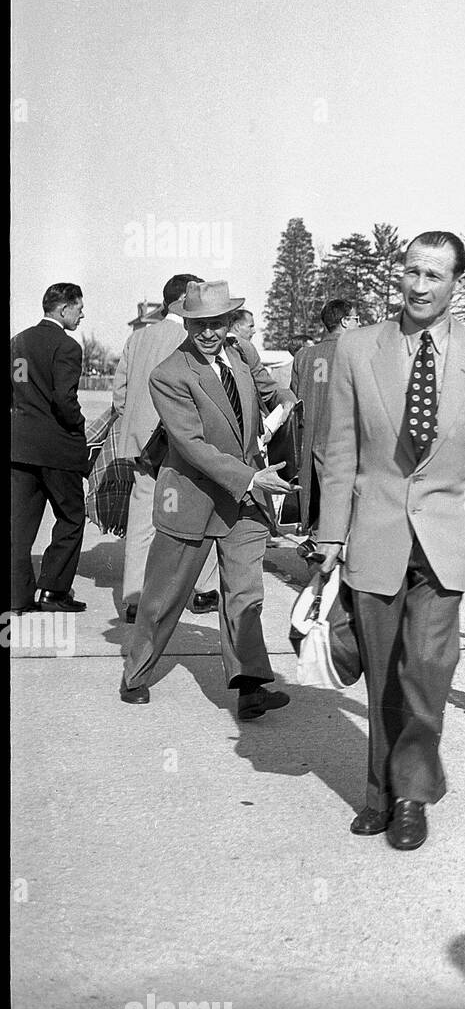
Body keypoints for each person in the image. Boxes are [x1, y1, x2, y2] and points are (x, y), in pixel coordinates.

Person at [316, 231, 465, 852]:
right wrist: (330, 534)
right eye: (410, 272)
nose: (419, 286)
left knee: (428, 669)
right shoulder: (356, 350)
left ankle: (411, 793)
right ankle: (378, 790)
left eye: (434, 275)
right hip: (374, 531)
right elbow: (338, 451)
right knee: (382, 673)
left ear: (456, 282)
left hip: (446, 536)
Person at [119, 281, 297, 719]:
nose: (209, 334)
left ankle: (251, 688)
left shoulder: (241, 354)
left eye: (217, 323)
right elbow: (193, 445)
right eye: (200, 324)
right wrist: (251, 476)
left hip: (245, 503)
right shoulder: (168, 375)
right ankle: (136, 674)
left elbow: (270, 390)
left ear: (229, 322)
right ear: (187, 322)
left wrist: (286, 400)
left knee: (245, 594)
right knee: (164, 596)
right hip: (193, 497)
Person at [111, 273, 220, 623]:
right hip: (183, 440)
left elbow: (119, 396)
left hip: (144, 444)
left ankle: (135, 598)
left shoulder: (137, 338)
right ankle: (203, 591)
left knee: (143, 518)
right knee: (203, 512)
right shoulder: (194, 339)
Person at [10, 284, 91, 613]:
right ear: (63, 310)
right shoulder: (67, 347)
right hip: (57, 449)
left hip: (19, 448)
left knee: (19, 523)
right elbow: (64, 400)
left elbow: (16, 389)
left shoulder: (18, 342)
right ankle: (53, 591)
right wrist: (79, 424)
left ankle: (16, 596)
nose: (82, 313)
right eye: (79, 308)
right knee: (72, 517)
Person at [289, 297, 357, 532]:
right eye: (356, 319)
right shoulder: (357, 353)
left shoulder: (303, 356)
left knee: (317, 511)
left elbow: (294, 401)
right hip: (344, 446)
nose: (359, 324)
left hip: (309, 446)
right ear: (346, 321)